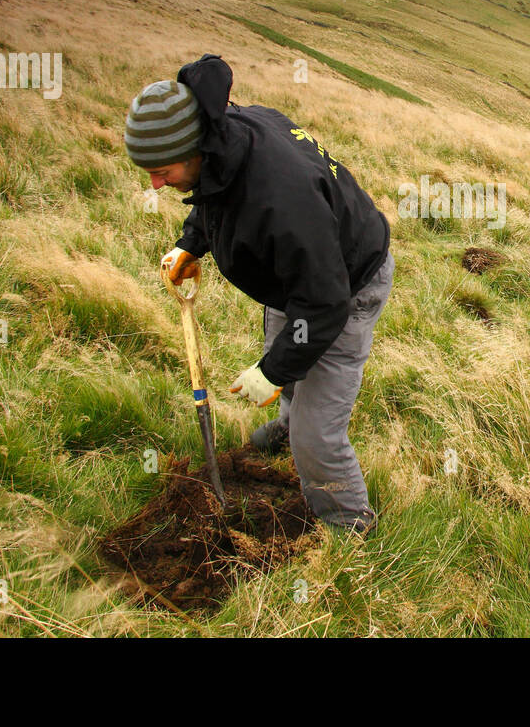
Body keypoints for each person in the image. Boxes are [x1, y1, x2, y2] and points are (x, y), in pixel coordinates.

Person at [124, 53, 393, 536]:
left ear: (193, 147)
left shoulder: (282, 197)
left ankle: (348, 526)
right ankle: (289, 421)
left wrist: (271, 372)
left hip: (346, 289)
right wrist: (191, 242)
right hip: (297, 278)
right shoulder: (224, 135)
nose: (155, 183)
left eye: (162, 170)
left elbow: (324, 304)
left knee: (318, 431)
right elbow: (214, 193)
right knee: (287, 355)